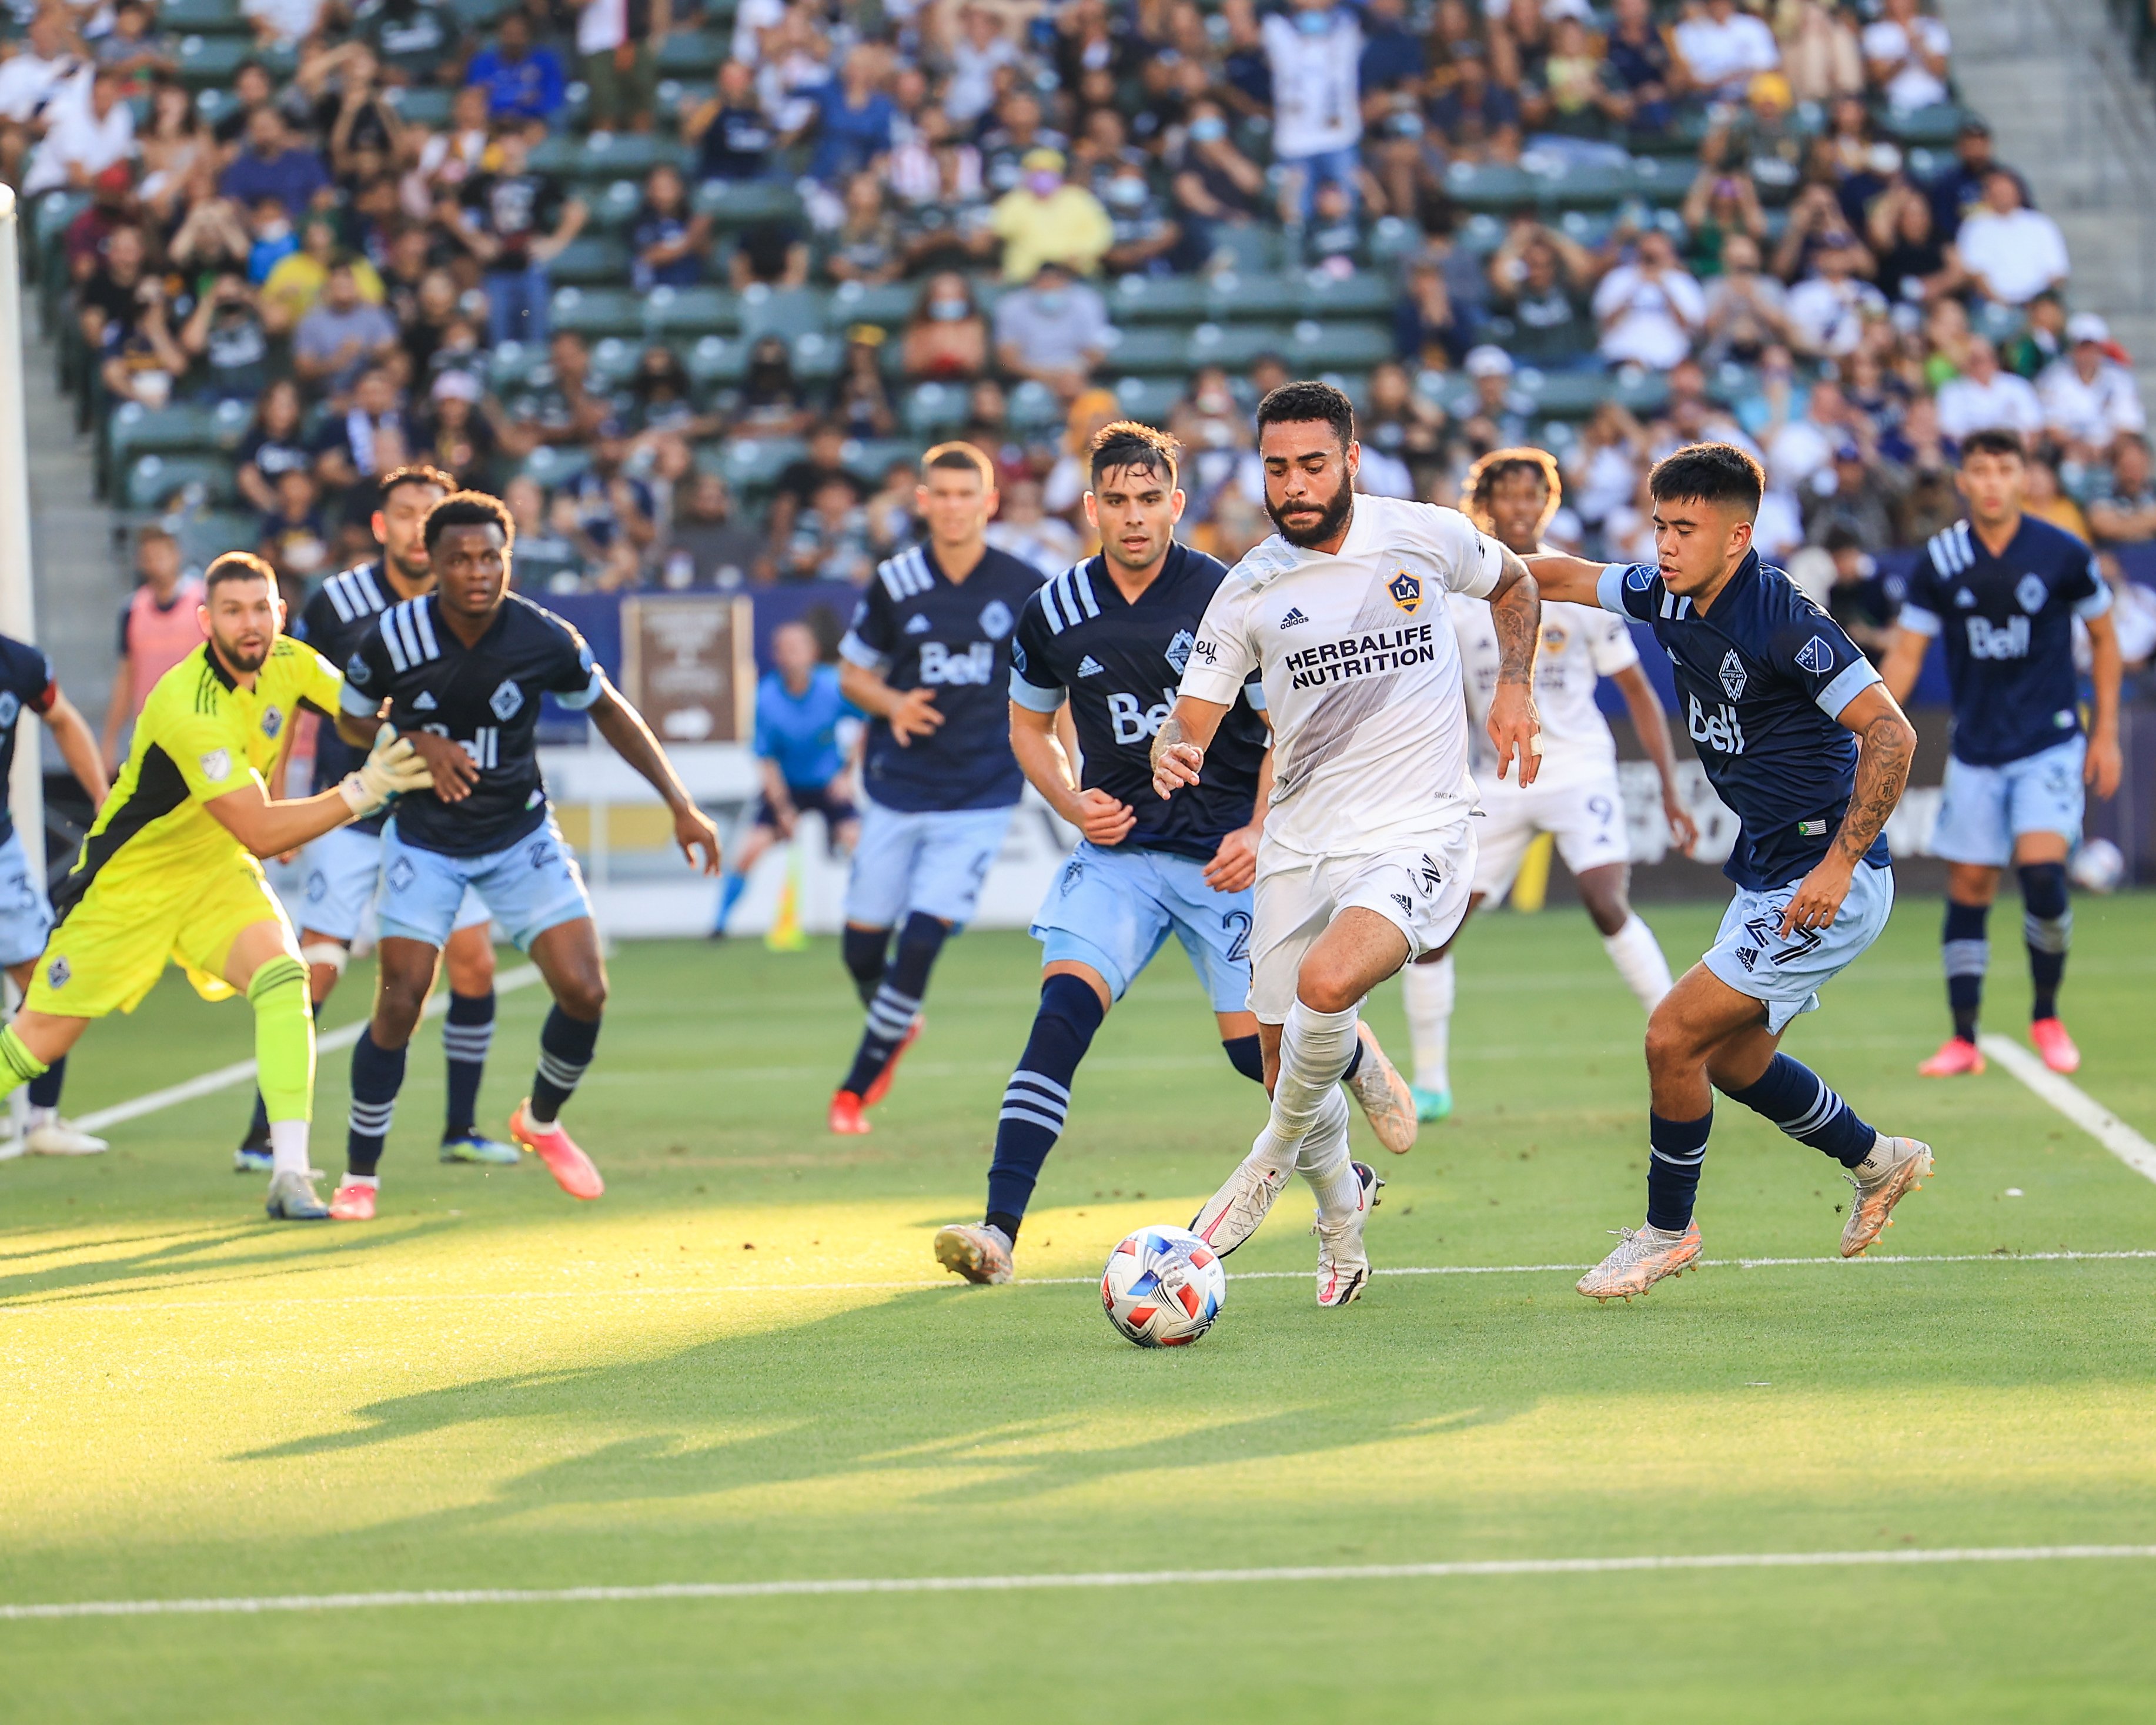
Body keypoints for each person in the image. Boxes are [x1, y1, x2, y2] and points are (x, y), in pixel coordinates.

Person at [934, 422, 1418, 1286]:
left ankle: (1347, 1065)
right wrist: (1068, 799)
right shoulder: (1053, 610)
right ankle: (998, 1232)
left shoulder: (1233, 597)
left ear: (1176, 505)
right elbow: (1028, 727)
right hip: (1118, 860)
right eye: (1116, 501)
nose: (1133, 516)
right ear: (1090, 508)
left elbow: (1291, 729)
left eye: (1149, 499)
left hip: (1223, 860)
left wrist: (1258, 830)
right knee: (1059, 1021)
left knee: (1257, 1057)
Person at [1150, 382, 1543, 1307]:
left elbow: (1516, 582)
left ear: (1350, 460)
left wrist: (1513, 685)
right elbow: (1192, 716)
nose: (1292, 485)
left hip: (1418, 827)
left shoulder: (1421, 534)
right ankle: (1340, 1218)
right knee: (1279, 1058)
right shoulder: (1247, 587)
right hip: (1299, 841)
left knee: (1326, 986)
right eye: (1275, 468)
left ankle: (1265, 1161)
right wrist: (1174, 748)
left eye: (1311, 464)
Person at [1523, 443, 1928, 1302]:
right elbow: (1559, 575)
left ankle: (1666, 1233)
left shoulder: (1784, 619)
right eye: (1659, 526)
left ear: (1737, 536)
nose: (1665, 545)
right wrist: (1438, 563)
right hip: (1770, 869)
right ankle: (1877, 1159)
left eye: (1686, 529)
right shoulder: (1665, 592)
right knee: (1734, 1062)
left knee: (1671, 1037)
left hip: (1827, 878)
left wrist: (1840, 863)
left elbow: (1891, 733)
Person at [0, 553, 433, 1218]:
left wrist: (424, 721)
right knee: (36, 1043)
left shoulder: (290, 660)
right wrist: (363, 789)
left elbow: (361, 711)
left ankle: (290, 1175)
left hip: (215, 875)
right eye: (232, 611)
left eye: (260, 609)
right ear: (206, 621)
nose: (249, 624)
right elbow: (260, 830)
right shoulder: (187, 703)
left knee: (284, 979)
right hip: (129, 888)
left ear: (280, 613)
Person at [330, 491, 721, 1220]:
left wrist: (679, 802)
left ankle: (539, 1121)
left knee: (586, 991)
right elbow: (351, 722)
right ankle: (360, 1176)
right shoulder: (394, 637)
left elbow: (608, 708)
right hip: (425, 839)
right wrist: (413, 740)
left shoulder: (542, 637)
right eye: (460, 559)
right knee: (401, 1001)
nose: (477, 572)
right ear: (433, 563)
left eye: (491, 557)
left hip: (518, 835)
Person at [230, 466, 516, 1173]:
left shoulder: (475, 602)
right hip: (352, 809)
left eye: (430, 514)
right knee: (317, 966)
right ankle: (263, 1136)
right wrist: (276, 799)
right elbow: (290, 695)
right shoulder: (340, 602)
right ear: (382, 526)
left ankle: (460, 1129)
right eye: (405, 513)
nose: (419, 527)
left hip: (445, 814)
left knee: (474, 963)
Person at [1402, 448, 1697, 1123]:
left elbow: (1638, 692)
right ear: (1483, 505)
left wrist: (1669, 787)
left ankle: (1685, 1039)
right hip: (1496, 781)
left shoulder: (1576, 584)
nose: (1520, 506)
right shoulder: (1455, 597)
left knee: (1604, 901)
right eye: (1505, 494)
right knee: (1436, 929)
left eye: (1531, 494)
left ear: (1548, 503)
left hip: (1576, 769)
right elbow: (1434, 701)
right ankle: (1430, 1084)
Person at [1877, 430, 2123, 1079]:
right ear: (1963, 481)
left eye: (2003, 470)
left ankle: (2046, 1014)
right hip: (1976, 747)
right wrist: (1871, 726)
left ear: (2023, 478)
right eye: (1980, 471)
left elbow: (2105, 638)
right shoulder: (1941, 558)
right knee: (1969, 886)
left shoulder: (2062, 552)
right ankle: (1963, 1038)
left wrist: (2104, 734)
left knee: (2042, 874)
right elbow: (1907, 653)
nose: (1991, 483)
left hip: (2049, 741)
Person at [827, 444, 1045, 1135]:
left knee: (923, 935)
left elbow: (1055, 688)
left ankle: (854, 1089)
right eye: (941, 495)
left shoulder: (1024, 585)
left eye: (965, 495)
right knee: (861, 949)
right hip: (897, 787)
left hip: (981, 791)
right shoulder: (895, 582)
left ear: (989, 503)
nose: (953, 507)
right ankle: (899, 1020)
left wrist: (1072, 771)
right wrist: (893, 703)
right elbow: (852, 675)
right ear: (922, 502)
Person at [0, 631, 110, 1156]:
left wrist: (103, 797)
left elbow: (62, 719)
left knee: (50, 975)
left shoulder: (19, 664)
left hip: (1, 850)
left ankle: (41, 1121)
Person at [713, 621, 859, 937]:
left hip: (828, 784)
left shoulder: (834, 686)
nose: (790, 656)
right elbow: (766, 761)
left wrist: (847, 774)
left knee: (859, 845)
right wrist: (782, 810)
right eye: (783, 649)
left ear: (813, 653)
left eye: (797, 648)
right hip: (787, 786)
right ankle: (718, 925)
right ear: (775, 655)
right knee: (751, 849)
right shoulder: (765, 698)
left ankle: (874, 918)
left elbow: (868, 722)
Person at [102, 526, 205, 773]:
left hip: (201, 726)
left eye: (161, 555)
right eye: (148, 557)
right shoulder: (132, 610)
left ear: (176, 555)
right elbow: (126, 677)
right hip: (153, 731)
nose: (155, 563)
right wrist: (110, 738)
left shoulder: (203, 602)